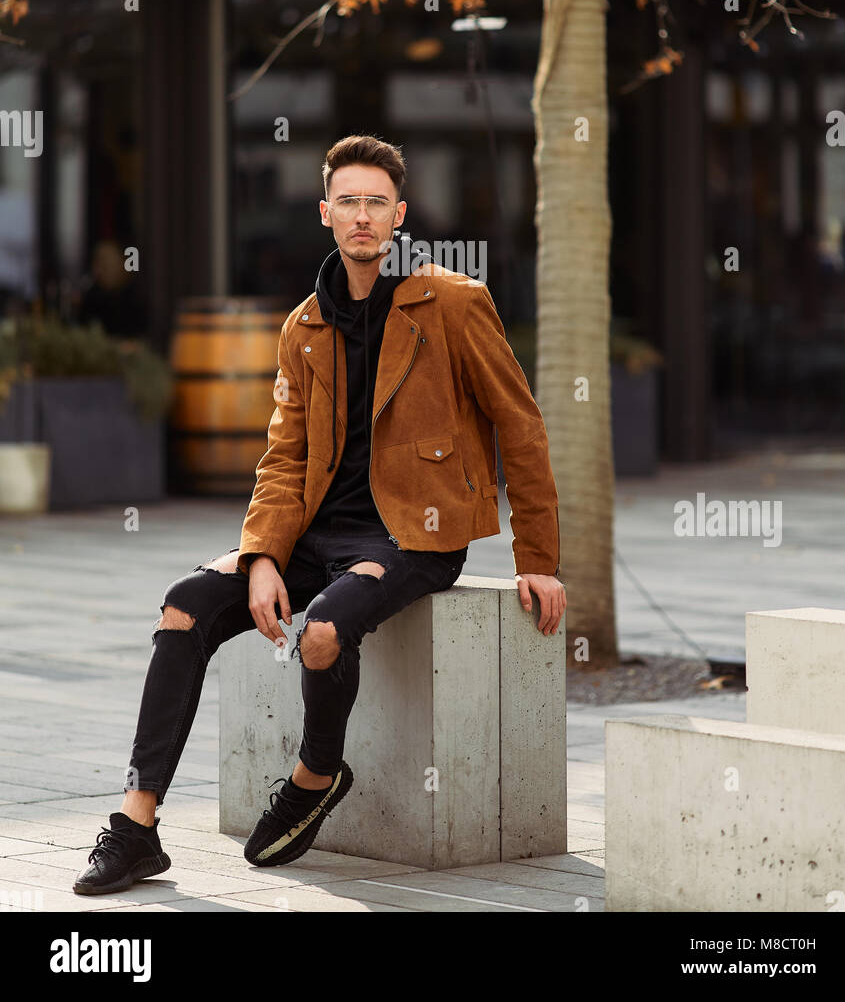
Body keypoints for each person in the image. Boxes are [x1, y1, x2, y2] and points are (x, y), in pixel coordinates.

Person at [73, 133, 565, 895]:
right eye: (349, 202)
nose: (362, 216)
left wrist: (538, 557)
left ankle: (315, 775)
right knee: (182, 608)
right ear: (325, 212)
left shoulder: (454, 303)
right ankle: (136, 827)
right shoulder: (303, 326)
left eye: (377, 203)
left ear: (398, 215)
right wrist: (263, 555)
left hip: (415, 533)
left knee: (326, 630)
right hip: (312, 534)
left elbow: (521, 424)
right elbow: (283, 457)